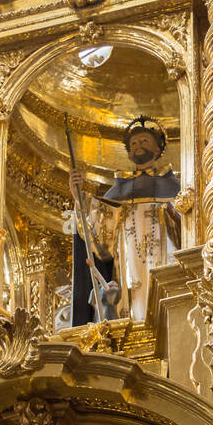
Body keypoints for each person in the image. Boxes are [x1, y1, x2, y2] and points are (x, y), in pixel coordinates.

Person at [68, 115, 182, 326]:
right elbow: (100, 238)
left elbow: (188, 224)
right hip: (130, 259)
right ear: (129, 153)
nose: (139, 146)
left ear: (157, 149)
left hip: (164, 253)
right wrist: (78, 197)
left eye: (145, 141)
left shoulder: (175, 186)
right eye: (135, 143)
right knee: (134, 299)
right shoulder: (118, 190)